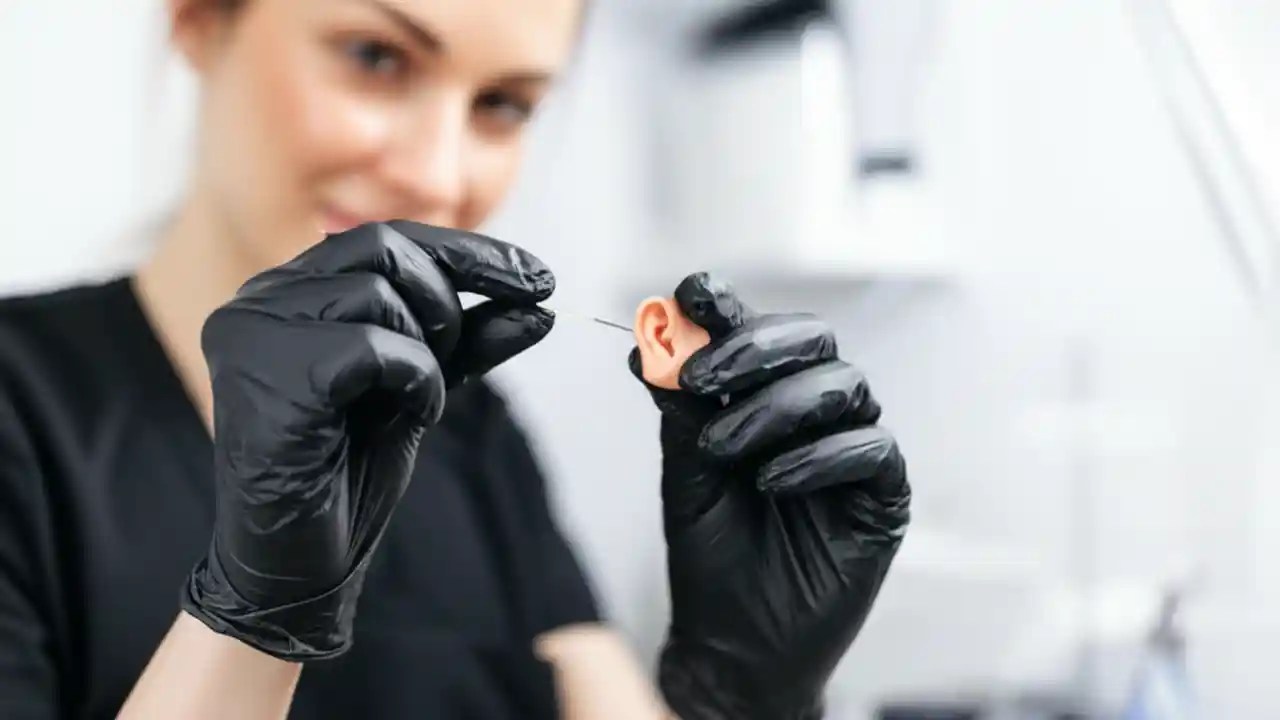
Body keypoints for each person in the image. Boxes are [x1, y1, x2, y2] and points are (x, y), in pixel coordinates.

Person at [0, 0, 911, 717]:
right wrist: (251, 617)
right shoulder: (21, 408)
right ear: (200, 17)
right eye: (376, 57)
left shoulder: (468, 425)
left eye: (503, 105)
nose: (436, 178)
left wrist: (738, 697)